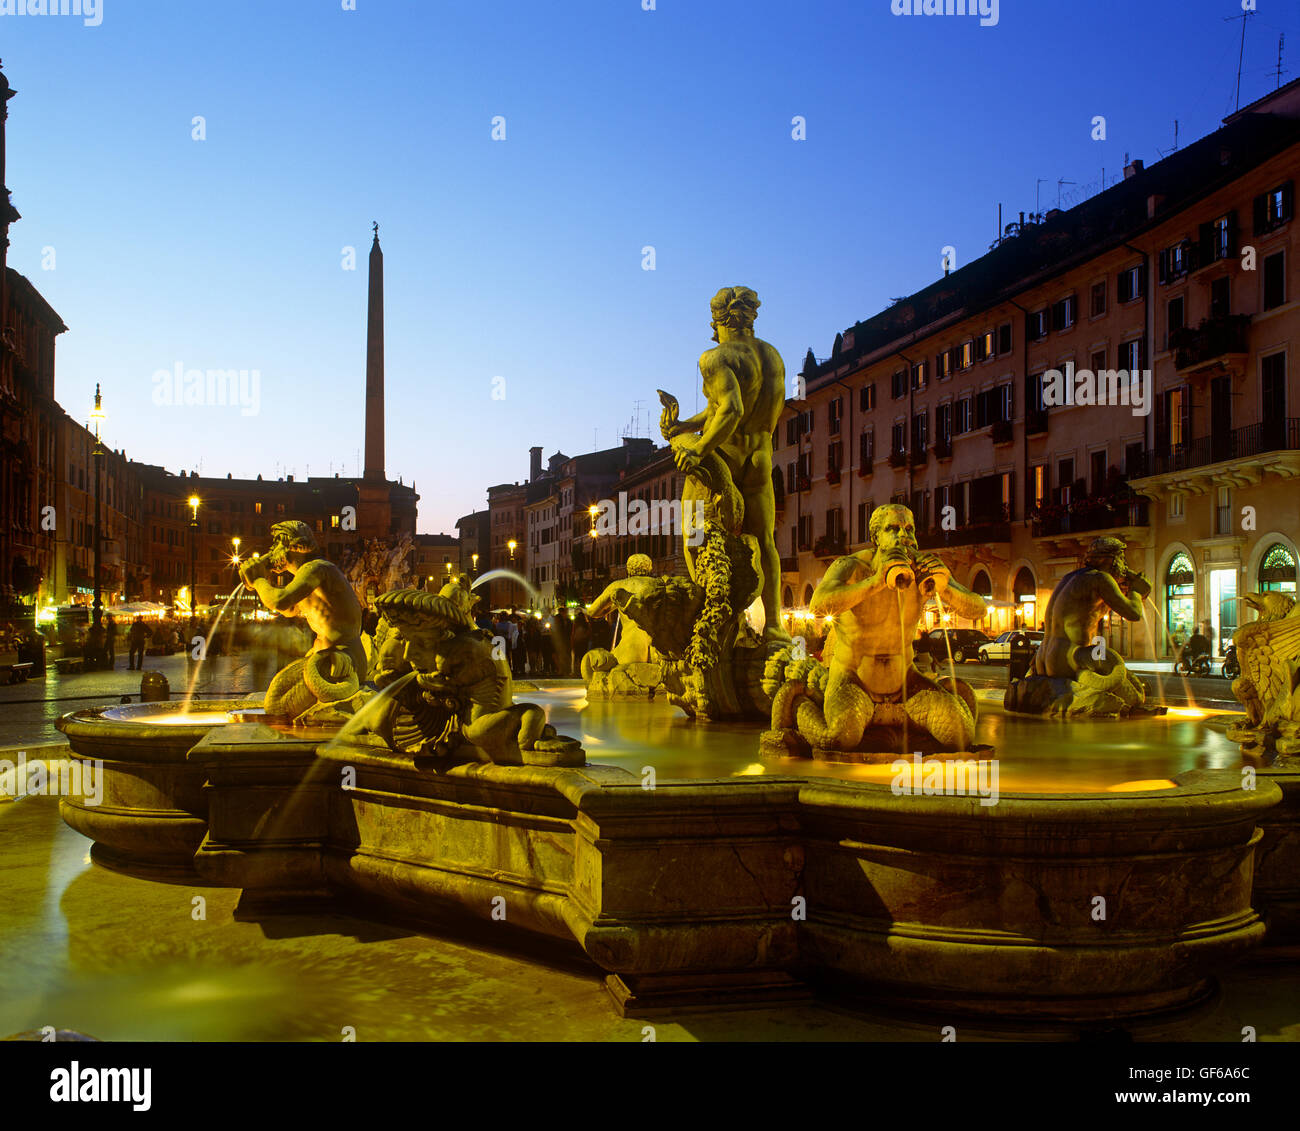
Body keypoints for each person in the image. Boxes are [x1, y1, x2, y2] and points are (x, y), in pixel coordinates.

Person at [776, 503, 987, 749]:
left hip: (906, 685)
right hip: (854, 682)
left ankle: (926, 709)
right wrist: (876, 581)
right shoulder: (851, 567)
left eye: (909, 529)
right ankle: (801, 704)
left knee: (960, 735)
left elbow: (978, 610)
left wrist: (945, 588)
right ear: (875, 537)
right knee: (839, 738)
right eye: (893, 529)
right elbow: (819, 606)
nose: (903, 536)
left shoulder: (924, 569)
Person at [661, 286, 789, 642]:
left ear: (716, 319)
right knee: (765, 541)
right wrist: (686, 425)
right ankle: (775, 626)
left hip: (727, 455)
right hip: (761, 455)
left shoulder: (714, 358)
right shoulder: (772, 357)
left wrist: (699, 447)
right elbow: (729, 408)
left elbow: (730, 410)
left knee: (696, 535)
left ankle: (712, 621)